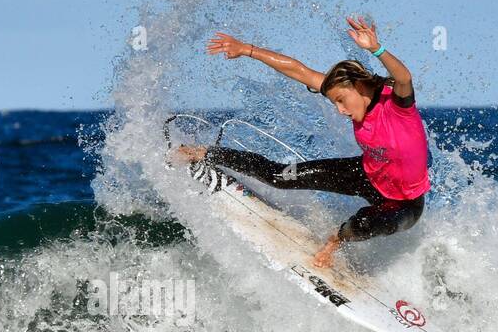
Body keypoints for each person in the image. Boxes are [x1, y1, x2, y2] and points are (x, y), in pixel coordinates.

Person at [173, 17, 431, 270]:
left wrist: (376, 49)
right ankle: (207, 152)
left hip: (404, 204)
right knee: (277, 175)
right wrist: (246, 50)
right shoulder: (344, 92)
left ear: (359, 86)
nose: (340, 110)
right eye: (335, 103)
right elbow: (300, 71)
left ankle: (335, 241)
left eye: (342, 100)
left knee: (363, 224)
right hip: (364, 175)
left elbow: (404, 78)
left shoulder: (397, 107)